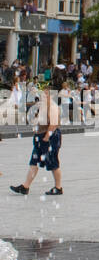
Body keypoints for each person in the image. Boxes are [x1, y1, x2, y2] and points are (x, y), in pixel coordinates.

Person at [11, 67, 65, 196]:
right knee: (34, 162)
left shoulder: (52, 107)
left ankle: (58, 187)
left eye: (44, 93)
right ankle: (25, 186)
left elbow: (53, 124)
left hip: (50, 137)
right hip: (40, 137)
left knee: (53, 163)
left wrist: (47, 136)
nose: (41, 95)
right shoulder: (43, 106)